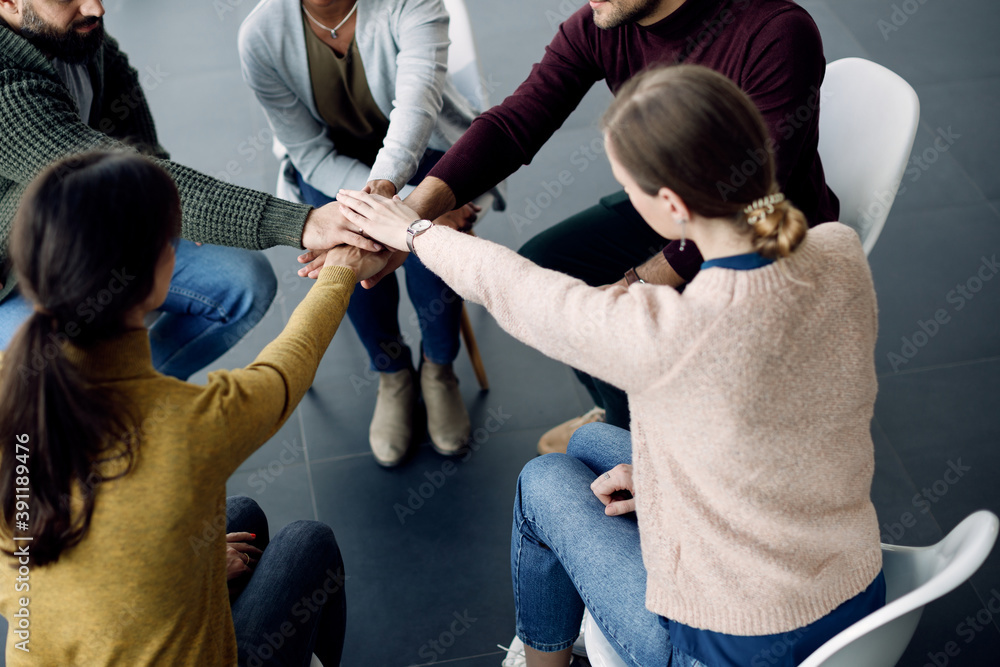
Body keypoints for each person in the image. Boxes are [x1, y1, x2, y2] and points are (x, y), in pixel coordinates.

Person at [337, 64, 885, 667]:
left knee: (543, 485)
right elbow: (757, 415)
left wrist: (415, 232)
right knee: (596, 441)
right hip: (856, 595)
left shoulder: (669, 333)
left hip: (731, 642)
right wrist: (660, 486)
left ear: (672, 205)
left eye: (631, 189)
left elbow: (524, 293)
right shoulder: (839, 250)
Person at [367, 0, 839, 455]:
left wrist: (630, 289)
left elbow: (745, 205)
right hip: (669, 206)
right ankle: (621, 414)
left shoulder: (776, 31)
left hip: (761, 234)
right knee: (551, 265)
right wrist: (412, 213)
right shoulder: (604, 18)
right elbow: (513, 126)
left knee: (598, 321)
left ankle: (651, 448)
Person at [0, 151, 389, 665]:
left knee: (242, 520)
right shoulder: (189, 425)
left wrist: (193, 571)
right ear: (160, 270)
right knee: (306, 544)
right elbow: (284, 370)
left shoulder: (15, 383)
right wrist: (340, 271)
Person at [0, 0, 380, 381]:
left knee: (244, 283)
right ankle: (80, 415)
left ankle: (133, 399)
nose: (97, 8)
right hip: (16, 273)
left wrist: (174, 215)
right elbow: (113, 178)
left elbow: (130, 132)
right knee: (41, 380)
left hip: (90, 223)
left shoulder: (75, 31)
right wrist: (304, 222)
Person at [239, 0, 503, 467]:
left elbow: (416, 112)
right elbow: (307, 150)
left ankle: (439, 369)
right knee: (344, 242)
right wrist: (371, 216)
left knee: (428, 244)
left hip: (423, 150)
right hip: (333, 166)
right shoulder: (260, 35)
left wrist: (392, 203)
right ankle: (393, 371)